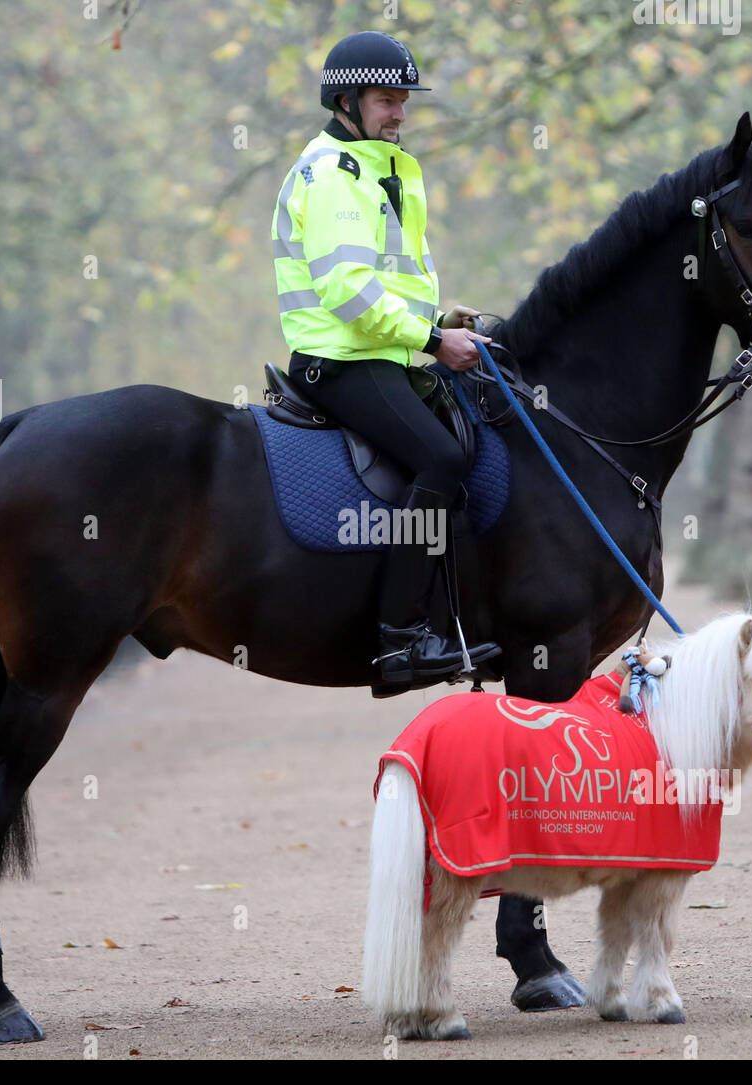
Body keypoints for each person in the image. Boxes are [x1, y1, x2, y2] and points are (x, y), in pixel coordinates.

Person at [272, 30, 501, 687]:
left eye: (404, 98)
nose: (400, 111)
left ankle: (461, 621)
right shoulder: (332, 173)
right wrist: (432, 342)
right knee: (441, 458)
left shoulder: (386, 167)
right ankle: (400, 640)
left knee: (476, 440)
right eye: (385, 98)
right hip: (340, 358)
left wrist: (437, 321)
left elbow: (388, 285)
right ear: (346, 100)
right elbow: (348, 293)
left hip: (386, 349)